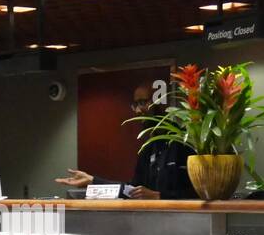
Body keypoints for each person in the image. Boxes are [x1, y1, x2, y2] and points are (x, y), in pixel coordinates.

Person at [56, 84, 196, 199]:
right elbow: (132, 190)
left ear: (161, 102)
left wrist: (159, 196)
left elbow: (200, 193)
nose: (138, 110)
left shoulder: (184, 141)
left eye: (143, 102)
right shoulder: (148, 148)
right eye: (135, 104)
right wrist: (93, 181)